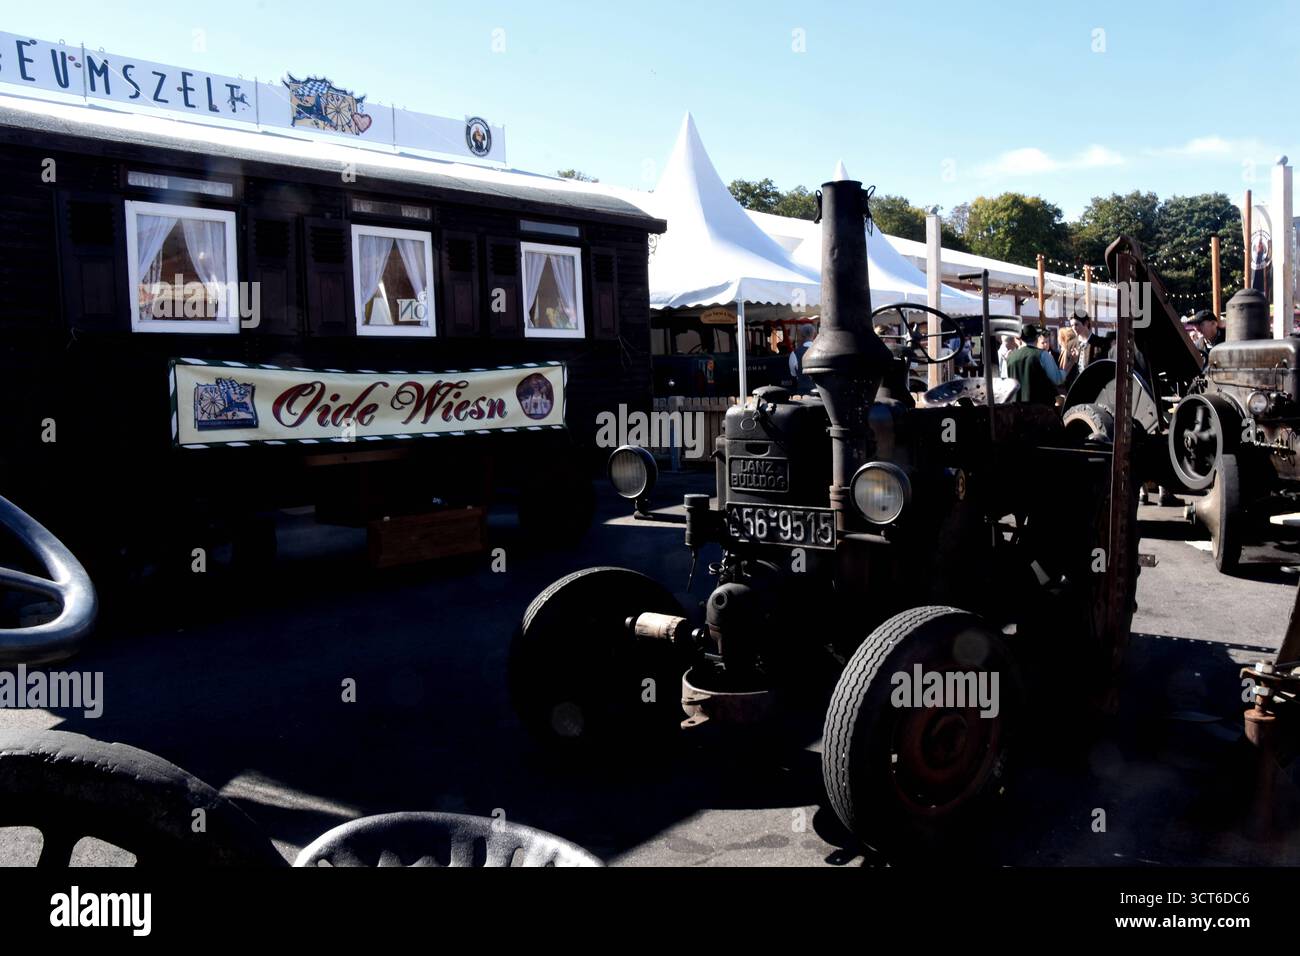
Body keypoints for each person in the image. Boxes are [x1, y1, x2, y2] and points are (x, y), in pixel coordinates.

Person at [1006, 322, 1076, 406]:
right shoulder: (1042, 355)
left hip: (1016, 408)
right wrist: (1072, 362)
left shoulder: (1010, 357)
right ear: (1036, 338)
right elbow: (1058, 379)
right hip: (1039, 409)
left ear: (1021, 339)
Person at [789, 324, 816, 395]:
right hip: (822, 395)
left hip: (804, 395)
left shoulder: (794, 354)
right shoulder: (823, 351)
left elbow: (794, 374)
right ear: (814, 334)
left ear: (802, 336)